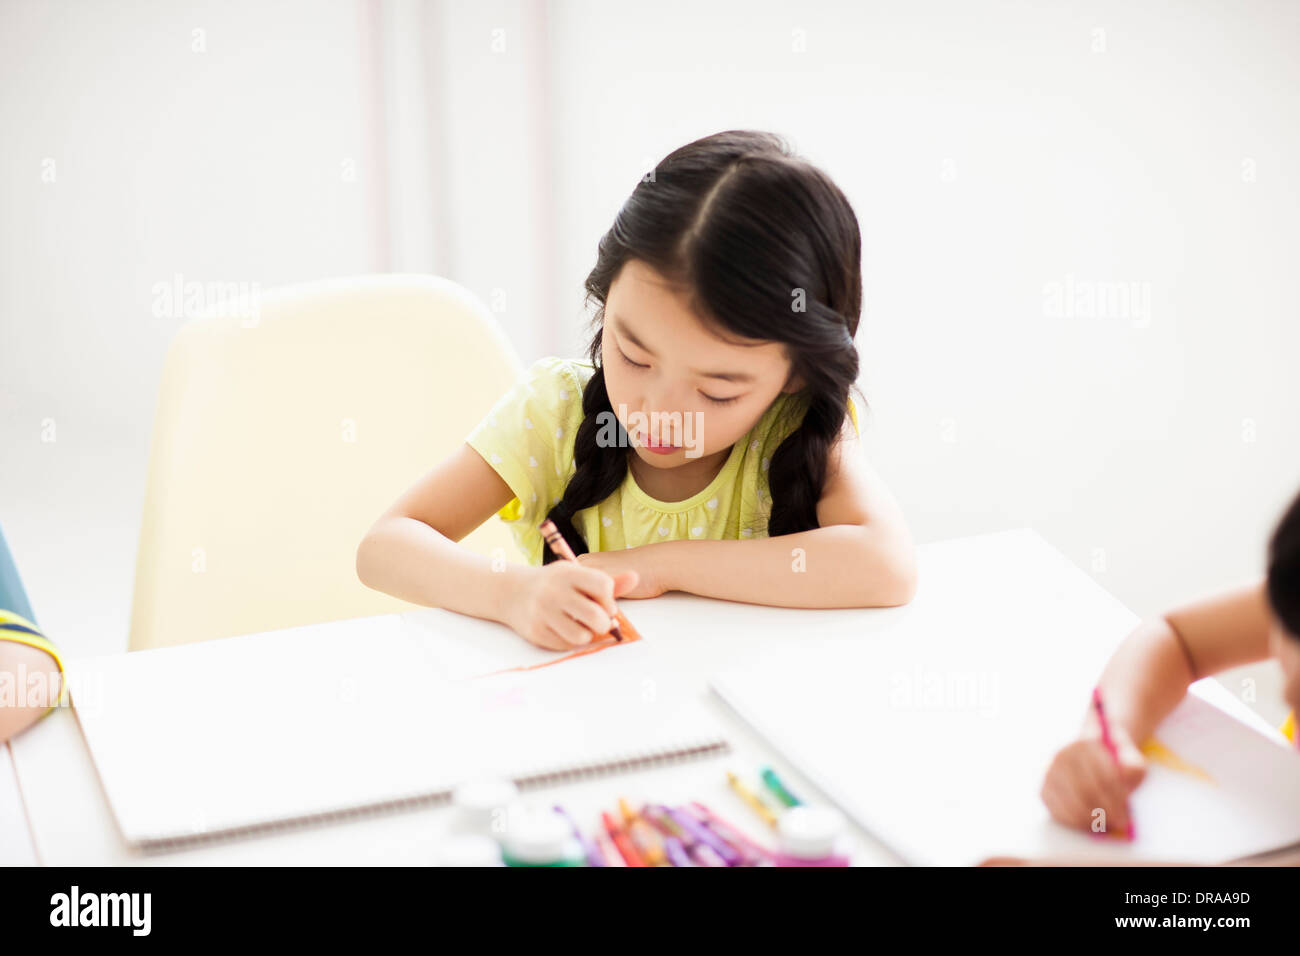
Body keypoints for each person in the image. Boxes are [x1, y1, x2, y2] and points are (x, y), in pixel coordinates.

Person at [357, 130, 916, 650]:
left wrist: (659, 565)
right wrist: (513, 594)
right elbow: (385, 547)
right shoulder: (554, 414)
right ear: (605, 302)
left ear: (795, 373)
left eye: (717, 392)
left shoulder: (794, 425)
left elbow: (886, 565)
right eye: (633, 355)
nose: (659, 414)